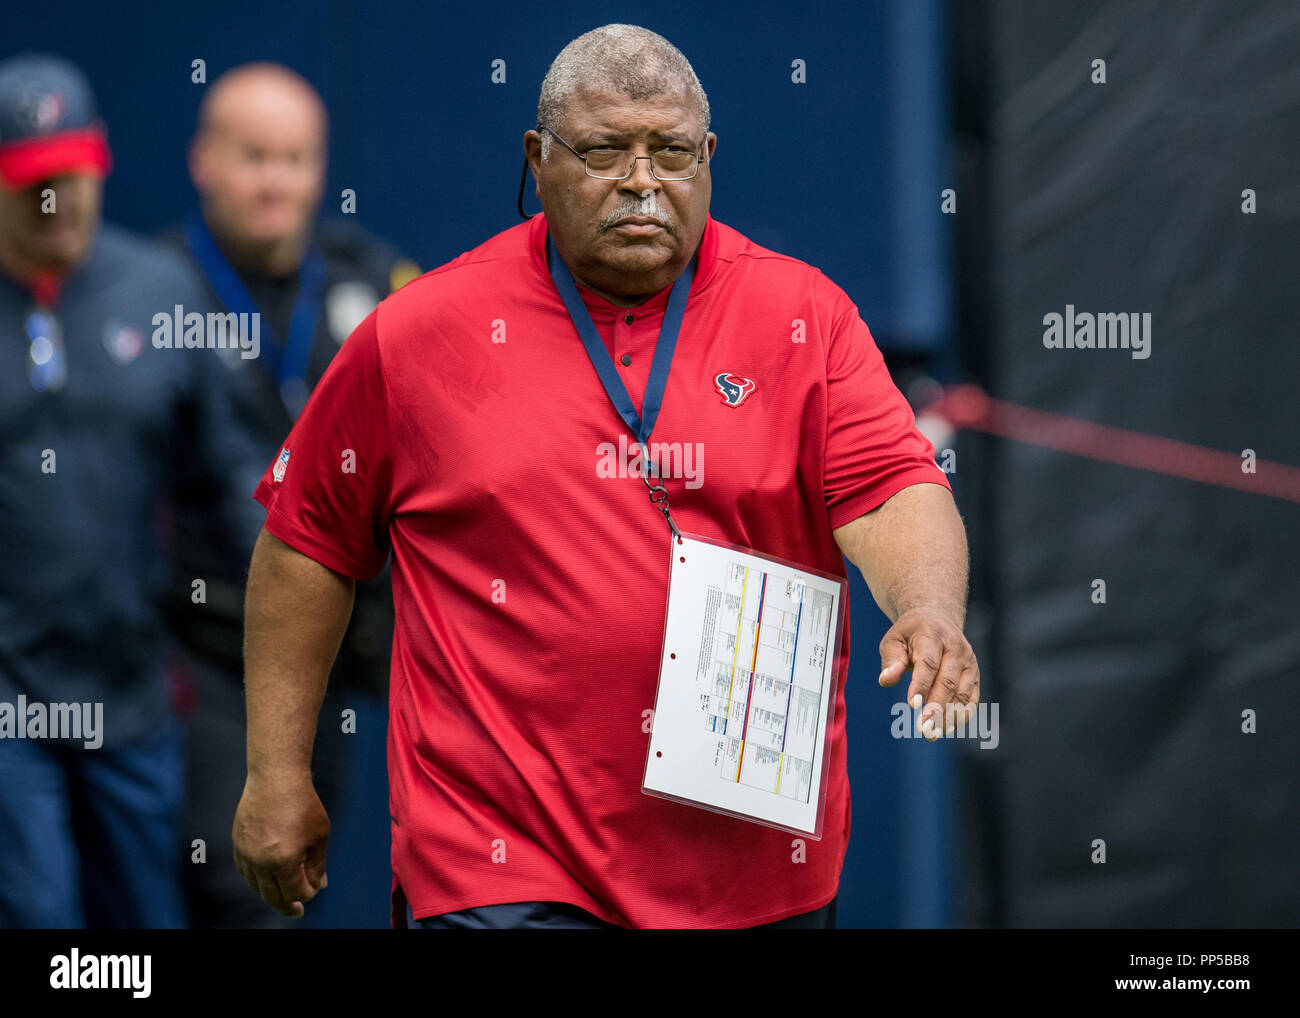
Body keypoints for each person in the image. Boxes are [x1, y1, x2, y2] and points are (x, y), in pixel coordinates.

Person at [234, 24, 979, 930]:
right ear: (536, 160)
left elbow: (894, 487)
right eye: (602, 151)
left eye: (669, 152)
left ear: (708, 158)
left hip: (751, 871)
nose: (639, 181)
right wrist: (276, 774)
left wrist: (929, 609)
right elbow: (305, 545)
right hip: (500, 864)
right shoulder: (418, 333)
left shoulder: (803, 318)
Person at [0, 53, 266, 928]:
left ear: (100, 162)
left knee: (147, 929)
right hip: (8, 697)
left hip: (133, 688)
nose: (55, 202)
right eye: (32, 182)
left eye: (69, 177)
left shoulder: (161, 294)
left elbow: (230, 480)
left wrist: (290, 583)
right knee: (39, 915)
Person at [158, 62, 417, 928]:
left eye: (297, 159)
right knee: (237, 895)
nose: (277, 182)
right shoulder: (150, 291)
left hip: (335, 653)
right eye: (255, 157)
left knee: (296, 885)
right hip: (201, 655)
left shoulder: (375, 281)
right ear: (205, 161)